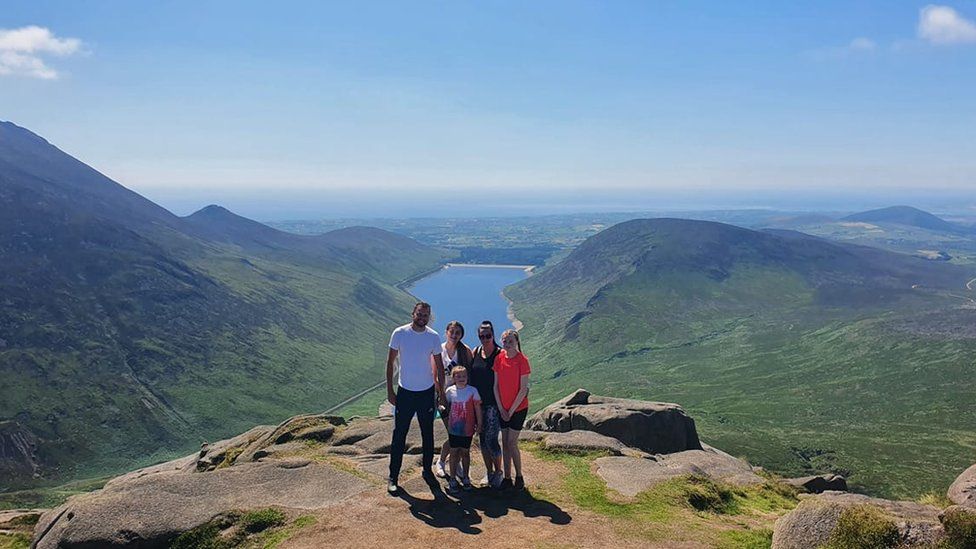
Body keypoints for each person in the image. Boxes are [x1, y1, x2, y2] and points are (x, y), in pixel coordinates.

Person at [386, 302, 446, 494]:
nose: (422, 317)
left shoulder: (433, 337)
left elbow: (439, 367)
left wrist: (440, 394)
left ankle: (427, 471)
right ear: (413, 314)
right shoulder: (400, 333)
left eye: (425, 315)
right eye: (419, 314)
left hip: (426, 393)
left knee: (427, 434)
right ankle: (393, 476)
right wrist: (390, 389)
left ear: (429, 317)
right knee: (399, 435)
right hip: (405, 392)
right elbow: (390, 362)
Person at [493, 328, 531, 491]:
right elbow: (495, 386)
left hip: (518, 409)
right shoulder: (499, 358)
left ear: (516, 342)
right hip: (503, 409)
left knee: (511, 442)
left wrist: (510, 410)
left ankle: (519, 476)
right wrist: (502, 408)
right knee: (505, 443)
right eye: (505, 341)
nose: (507, 344)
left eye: (510, 341)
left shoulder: (522, 360)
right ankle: (507, 477)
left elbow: (523, 390)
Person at [435, 321, 473, 479]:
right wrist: (440, 397)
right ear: (446, 332)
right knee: (453, 434)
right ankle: (441, 461)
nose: (454, 335)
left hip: (461, 399)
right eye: (452, 331)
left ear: (461, 335)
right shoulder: (439, 350)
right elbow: (434, 375)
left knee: (457, 433)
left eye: (458, 332)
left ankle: (452, 463)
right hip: (444, 398)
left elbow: (470, 374)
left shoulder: (465, 351)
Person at [468, 320, 503, 488]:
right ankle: (489, 472)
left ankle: (499, 472)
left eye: (488, 335)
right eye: (482, 335)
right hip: (477, 405)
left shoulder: (499, 354)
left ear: (493, 335)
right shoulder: (476, 352)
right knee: (482, 440)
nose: (485, 338)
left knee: (492, 440)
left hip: (494, 405)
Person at [443, 365, 482, 494]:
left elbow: (477, 408)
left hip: (468, 428)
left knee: (465, 452)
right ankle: (453, 478)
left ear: (467, 377)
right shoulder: (450, 391)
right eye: (458, 376)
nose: (461, 378)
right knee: (453, 452)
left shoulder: (473, 391)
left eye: (464, 376)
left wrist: (479, 423)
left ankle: (466, 477)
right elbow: (447, 406)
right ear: (453, 378)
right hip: (454, 429)